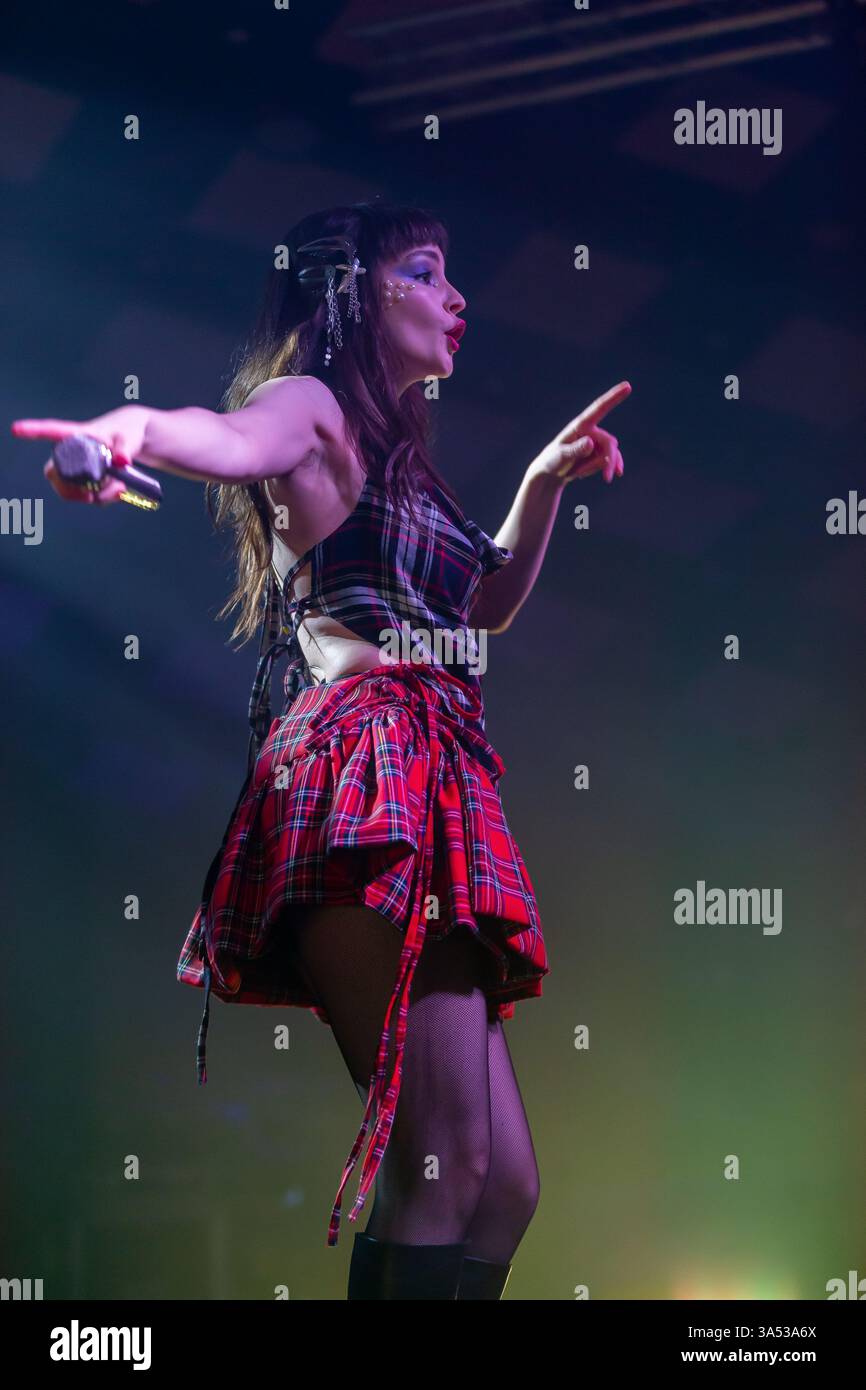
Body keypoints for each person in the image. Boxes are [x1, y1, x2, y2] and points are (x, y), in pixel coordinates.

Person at [12, 198, 629, 1299]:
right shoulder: (307, 408)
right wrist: (122, 434)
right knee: (442, 1165)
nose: (457, 297)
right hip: (366, 769)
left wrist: (538, 484)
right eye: (428, 272)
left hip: (437, 773)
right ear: (354, 290)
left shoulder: (403, 459)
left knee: (503, 1185)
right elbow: (225, 434)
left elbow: (479, 603)